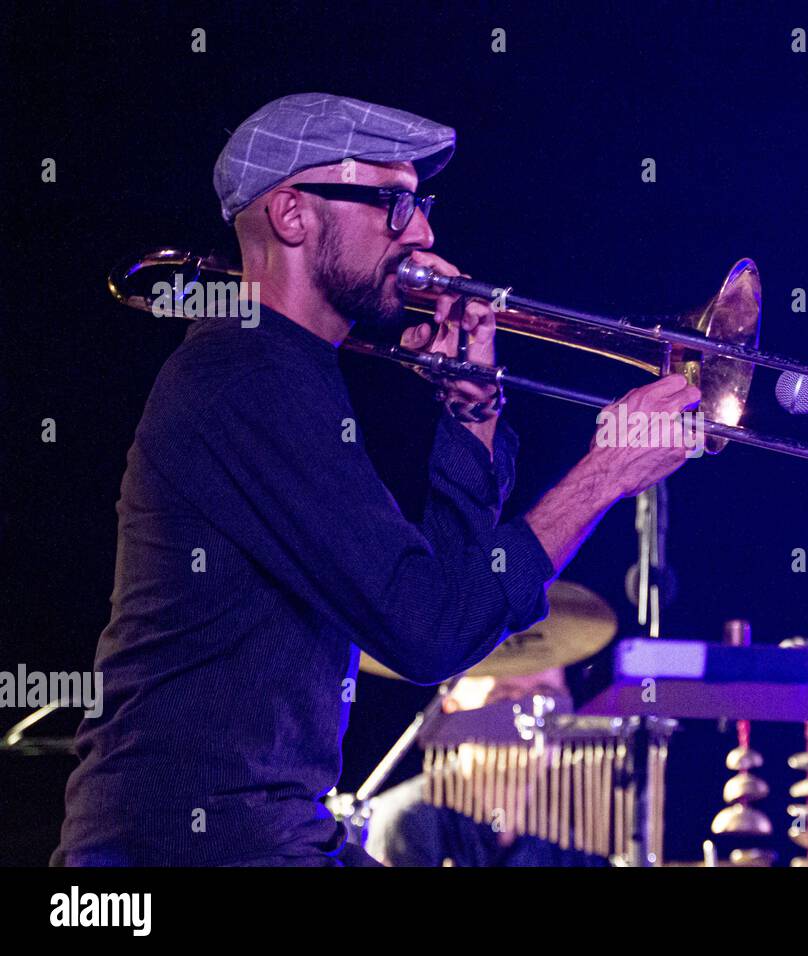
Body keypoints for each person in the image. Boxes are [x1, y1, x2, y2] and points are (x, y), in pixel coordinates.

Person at [54, 93, 699, 866]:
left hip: (261, 832)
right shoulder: (246, 376)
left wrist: (472, 415)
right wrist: (606, 473)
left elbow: (448, 605)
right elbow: (426, 631)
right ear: (293, 216)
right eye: (392, 204)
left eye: (420, 204)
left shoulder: (289, 372)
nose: (422, 231)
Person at [363, 667, 608, 867]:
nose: (528, 724)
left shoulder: (575, 837)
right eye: (503, 701)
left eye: (546, 700)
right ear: (454, 709)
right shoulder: (410, 819)